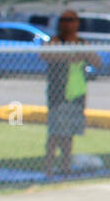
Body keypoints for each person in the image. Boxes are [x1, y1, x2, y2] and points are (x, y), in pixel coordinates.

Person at [39, 9, 99, 178]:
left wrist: (85, 54)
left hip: (77, 94)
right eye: (64, 20)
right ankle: (49, 168)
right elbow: (45, 55)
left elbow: (97, 61)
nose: (68, 23)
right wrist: (69, 57)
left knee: (69, 134)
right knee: (55, 133)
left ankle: (65, 166)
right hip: (59, 94)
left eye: (71, 20)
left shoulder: (81, 42)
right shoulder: (55, 41)